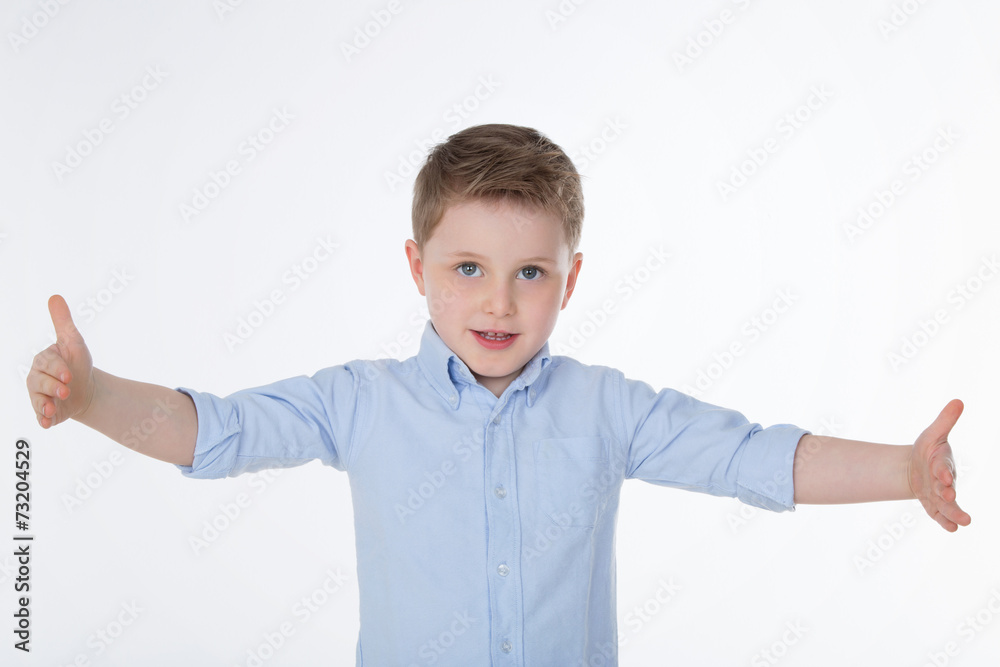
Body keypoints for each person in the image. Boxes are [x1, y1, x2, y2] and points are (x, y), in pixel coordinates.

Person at [26, 124, 970, 665]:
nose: (498, 301)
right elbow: (218, 430)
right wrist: (94, 395)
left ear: (571, 279)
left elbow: (750, 455)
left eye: (530, 273)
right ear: (417, 266)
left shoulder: (608, 408)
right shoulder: (360, 401)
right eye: (468, 267)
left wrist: (903, 468)